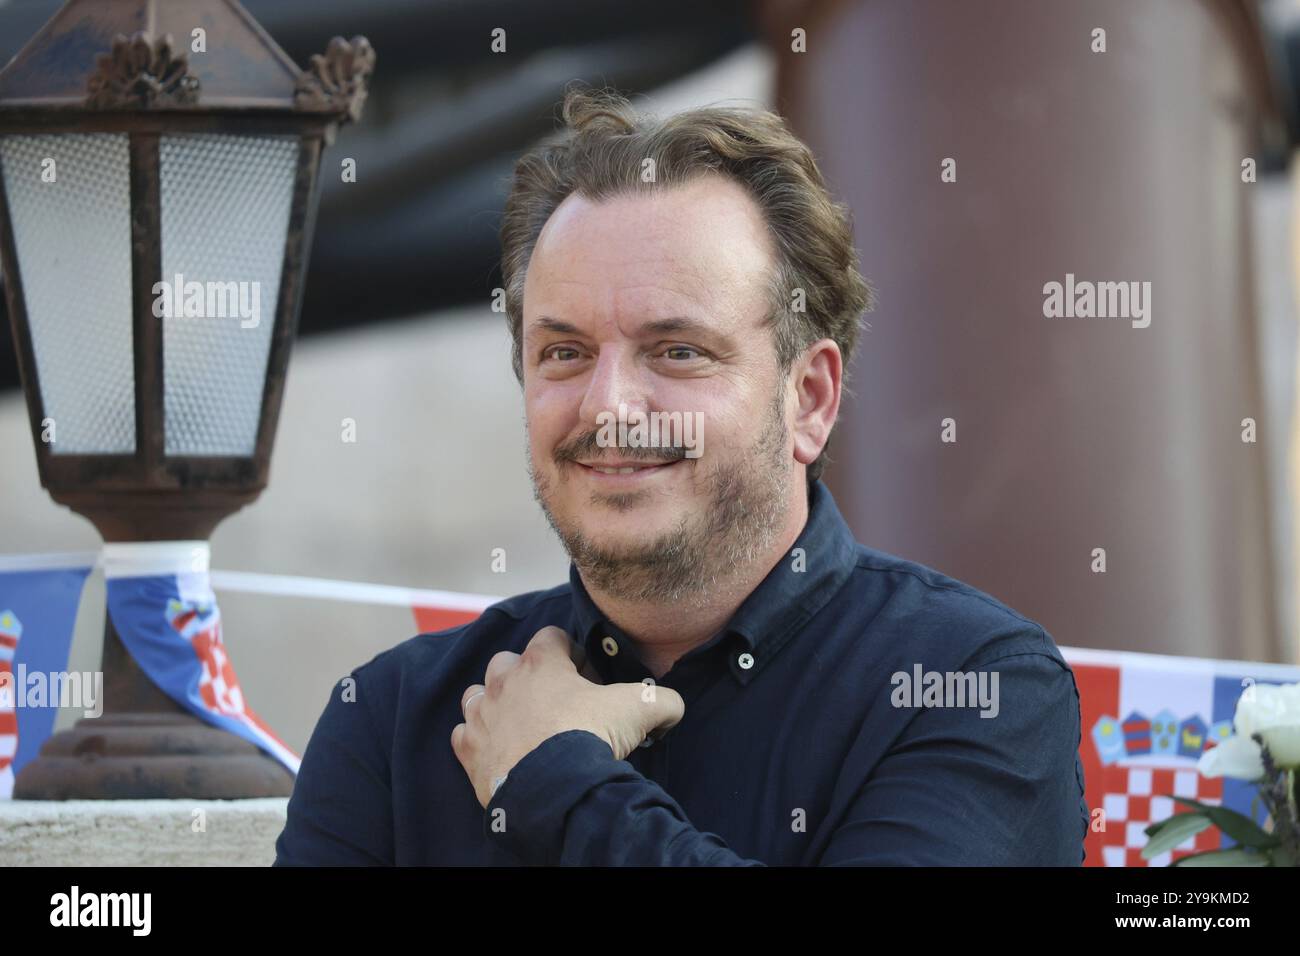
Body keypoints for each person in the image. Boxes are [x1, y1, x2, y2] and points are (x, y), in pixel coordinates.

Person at [274, 86, 1088, 866]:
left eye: (678, 351)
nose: (611, 405)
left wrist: (557, 782)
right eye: (565, 352)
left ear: (808, 398)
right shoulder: (392, 719)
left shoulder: (970, 685)